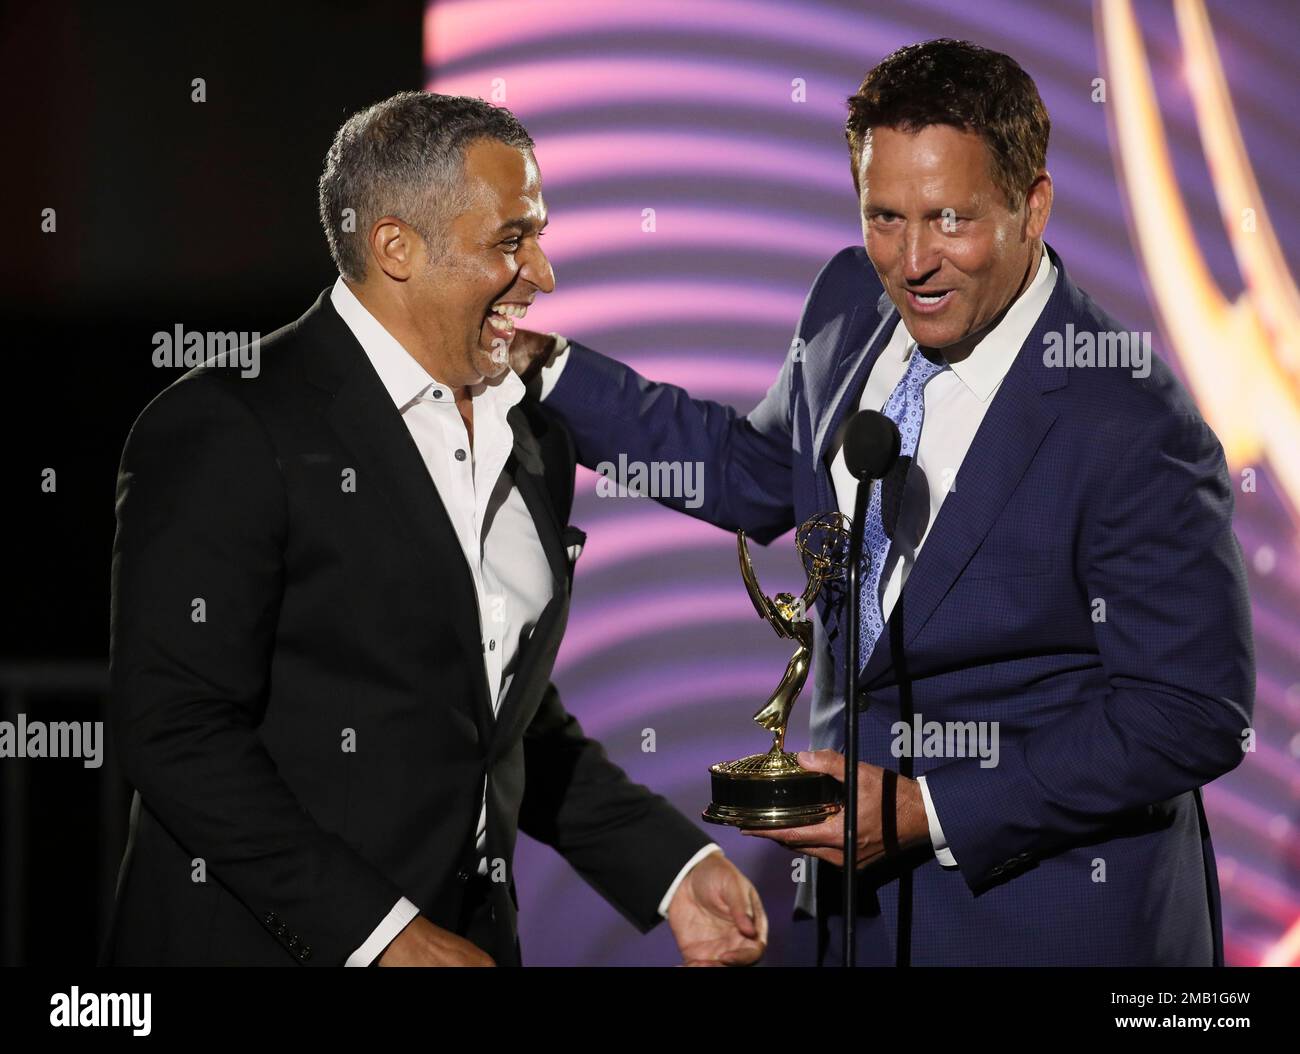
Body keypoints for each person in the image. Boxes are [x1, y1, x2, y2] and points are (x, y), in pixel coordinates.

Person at [513, 39, 1255, 966]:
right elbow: (753, 473)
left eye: (950, 220)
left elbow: (1187, 713)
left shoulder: (1130, 419)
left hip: (1047, 928)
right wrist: (545, 371)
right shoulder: (847, 302)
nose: (912, 262)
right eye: (884, 217)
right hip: (856, 925)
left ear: (1035, 205)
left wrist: (922, 813)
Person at [102, 91, 767, 967]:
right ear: (395, 247)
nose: (543, 274)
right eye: (510, 240)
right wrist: (385, 938)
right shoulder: (230, 423)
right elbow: (176, 732)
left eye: (538, 235)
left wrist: (671, 868)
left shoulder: (532, 432)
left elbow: (497, 724)